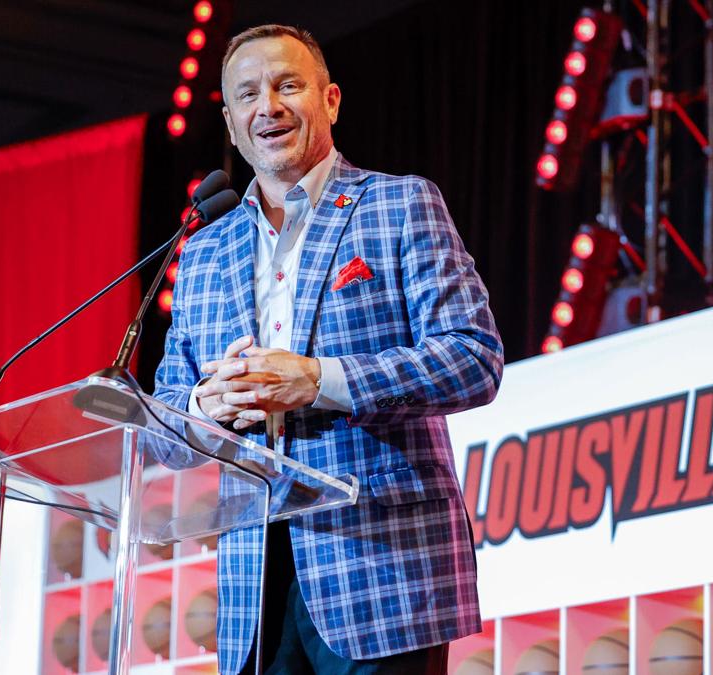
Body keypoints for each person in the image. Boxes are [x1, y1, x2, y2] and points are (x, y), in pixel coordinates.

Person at [152, 24, 503, 675]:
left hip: (383, 570)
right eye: (248, 94)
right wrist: (205, 401)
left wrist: (319, 379)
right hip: (255, 580)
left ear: (331, 100)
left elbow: (473, 357)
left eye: (289, 85)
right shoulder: (202, 251)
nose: (270, 107)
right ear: (229, 124)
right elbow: (163, 427)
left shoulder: (400, 205)